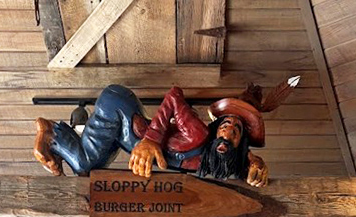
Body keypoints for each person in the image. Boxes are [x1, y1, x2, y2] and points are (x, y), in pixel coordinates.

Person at [34, 78, 299, 188]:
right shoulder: (197, 134)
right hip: (118, 110)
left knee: (88, 169)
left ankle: (56, 137)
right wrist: (150, 141)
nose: (227, 135)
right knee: (84, 165)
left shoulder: (219, 158)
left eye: (236, 132)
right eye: (225, 127)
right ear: (216, 127)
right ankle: (49, 133)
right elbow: (174, 96)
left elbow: (233, 165)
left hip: (123, 133)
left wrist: (256, 164)